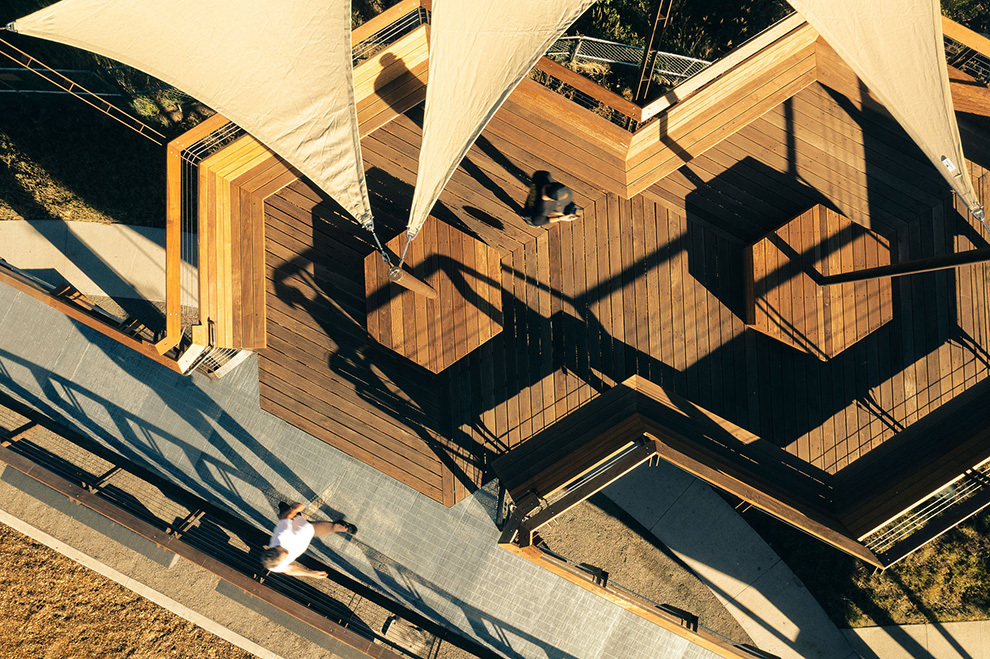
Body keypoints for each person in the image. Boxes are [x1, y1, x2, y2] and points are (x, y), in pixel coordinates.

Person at [260, 501, 357, 578]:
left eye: (283, 553)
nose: (287, 556)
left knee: (333, 527)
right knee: (291, 519)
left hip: (309, 528)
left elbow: (286, 517)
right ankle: (289, 511)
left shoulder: (282, 535)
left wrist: (294, 508)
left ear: (276, 548)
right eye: (284, 558)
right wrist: (311, 574)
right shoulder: (274, 566)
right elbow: (289, 570)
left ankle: (343, 526)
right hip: (305, 535)